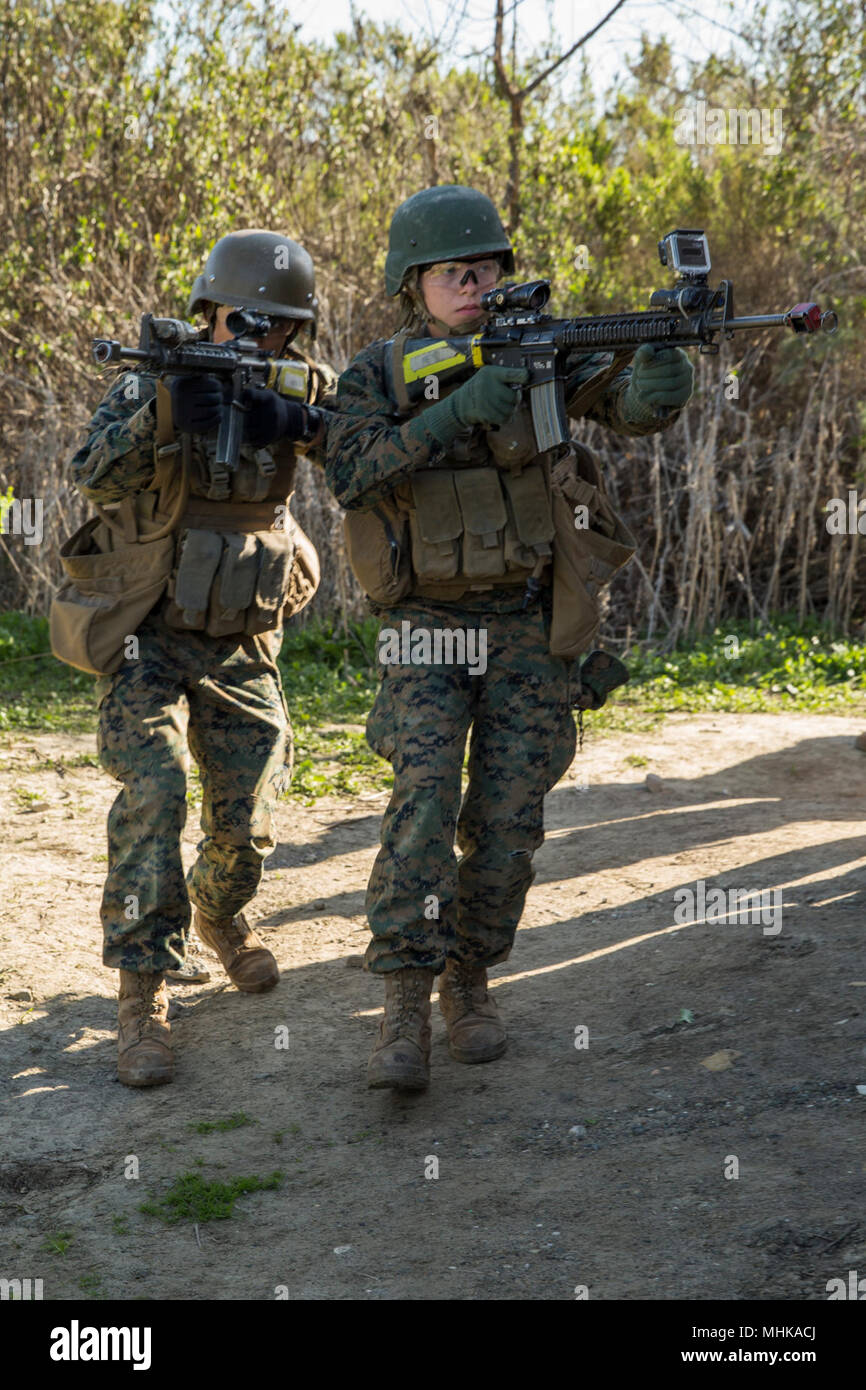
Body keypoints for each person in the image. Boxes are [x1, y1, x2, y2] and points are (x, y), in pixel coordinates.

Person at [325, 184, 693, 1091]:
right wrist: (460, 407)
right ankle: (404, 1002)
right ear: (412, 285)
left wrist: (659, 374)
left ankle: (471, 974)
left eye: (488, 269)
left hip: (526, 623)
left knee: (509, 820)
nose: (476, 285)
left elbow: (627, 404)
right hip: (425, 625)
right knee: (421, 803)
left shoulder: (545, 353)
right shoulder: (379, 371)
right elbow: (350, 470)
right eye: (456, 273)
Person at [68, 229, 335, 1087]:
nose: (257, 340)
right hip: (148, 623)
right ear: (207, 313)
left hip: (241, 631)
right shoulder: (153, 380)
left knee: (248, 817)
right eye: (241, 322)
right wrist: (164, 410)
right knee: (156, 786)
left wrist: (291, 417)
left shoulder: (294, 381)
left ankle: (220, 914)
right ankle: (142, 992)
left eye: (277, 328)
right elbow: (91, 474)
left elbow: (363, 445)